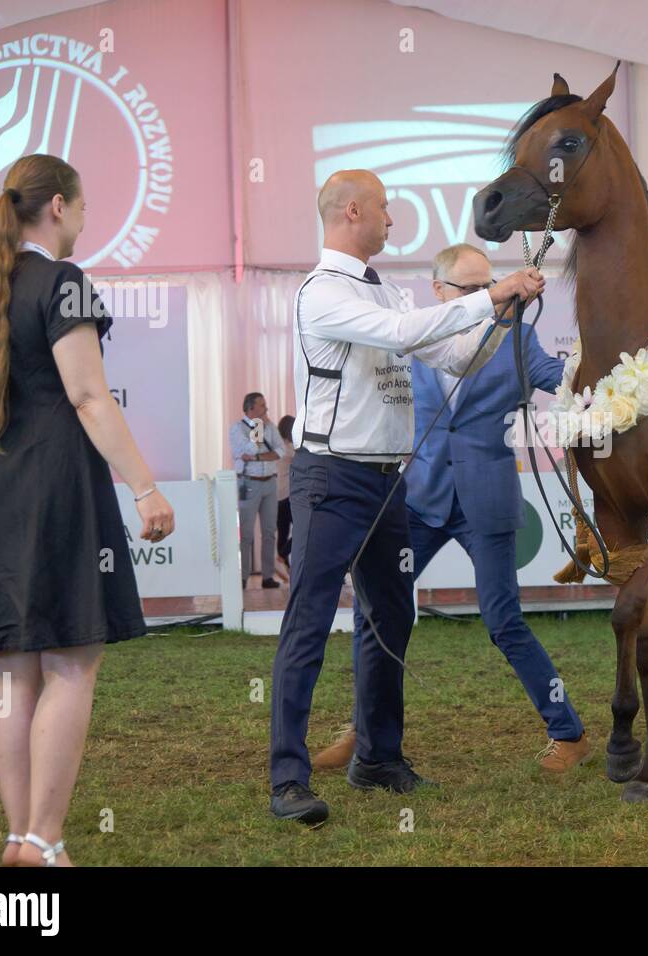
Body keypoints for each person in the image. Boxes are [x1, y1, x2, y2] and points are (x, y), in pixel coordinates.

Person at [269, 169, 543, 825]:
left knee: (392, 619)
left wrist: (501, 318)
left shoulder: (387, 291)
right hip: (331, 479)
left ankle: (379, 758)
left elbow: (455, 359)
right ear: (353, 211)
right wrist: (490, 294)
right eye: (387, 210)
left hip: (387, 483)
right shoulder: (320, 293)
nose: (393, 221)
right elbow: (401, 335)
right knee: (308, 622)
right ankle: (287, 778)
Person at [0, 153, 175, 866]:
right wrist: (144, 486)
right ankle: (44, 838)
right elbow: (88, 396)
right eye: (84, 204)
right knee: (71, 660)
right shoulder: (64, 282)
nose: (84, 219)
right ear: (59, 208)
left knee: (14, 665)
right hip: (57, 485)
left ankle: (20, 836)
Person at [313, 244, 587, 776]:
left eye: (491, 285)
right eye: (473, 290)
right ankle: (365, 734)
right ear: (438, 290)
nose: (489, 297)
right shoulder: (405, 336)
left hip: (485, 498)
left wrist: (608, 363)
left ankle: (568, 732)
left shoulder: (518, 338)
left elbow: (569, 381)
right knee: (378, 611)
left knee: (502, 620)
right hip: (416, 498)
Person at [229, 393, 284, 590]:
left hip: (270, 483)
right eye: (262, 406)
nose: (266, 409)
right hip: (248, 483)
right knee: (246, 533)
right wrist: (259, 427)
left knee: (269, 532)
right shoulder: (237, 429)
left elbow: (281, 451)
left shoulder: (271, 426)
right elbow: (250, 449)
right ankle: (243, 576)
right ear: (251, 409)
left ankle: (268, 576)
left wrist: (258, 458)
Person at [276, 415, 296, 571]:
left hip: (277, 495)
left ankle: (285, 565)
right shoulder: (288, 448)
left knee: (282, 533)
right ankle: (283, 555)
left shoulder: (276, 446)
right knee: (303, 530)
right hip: (288, 494)